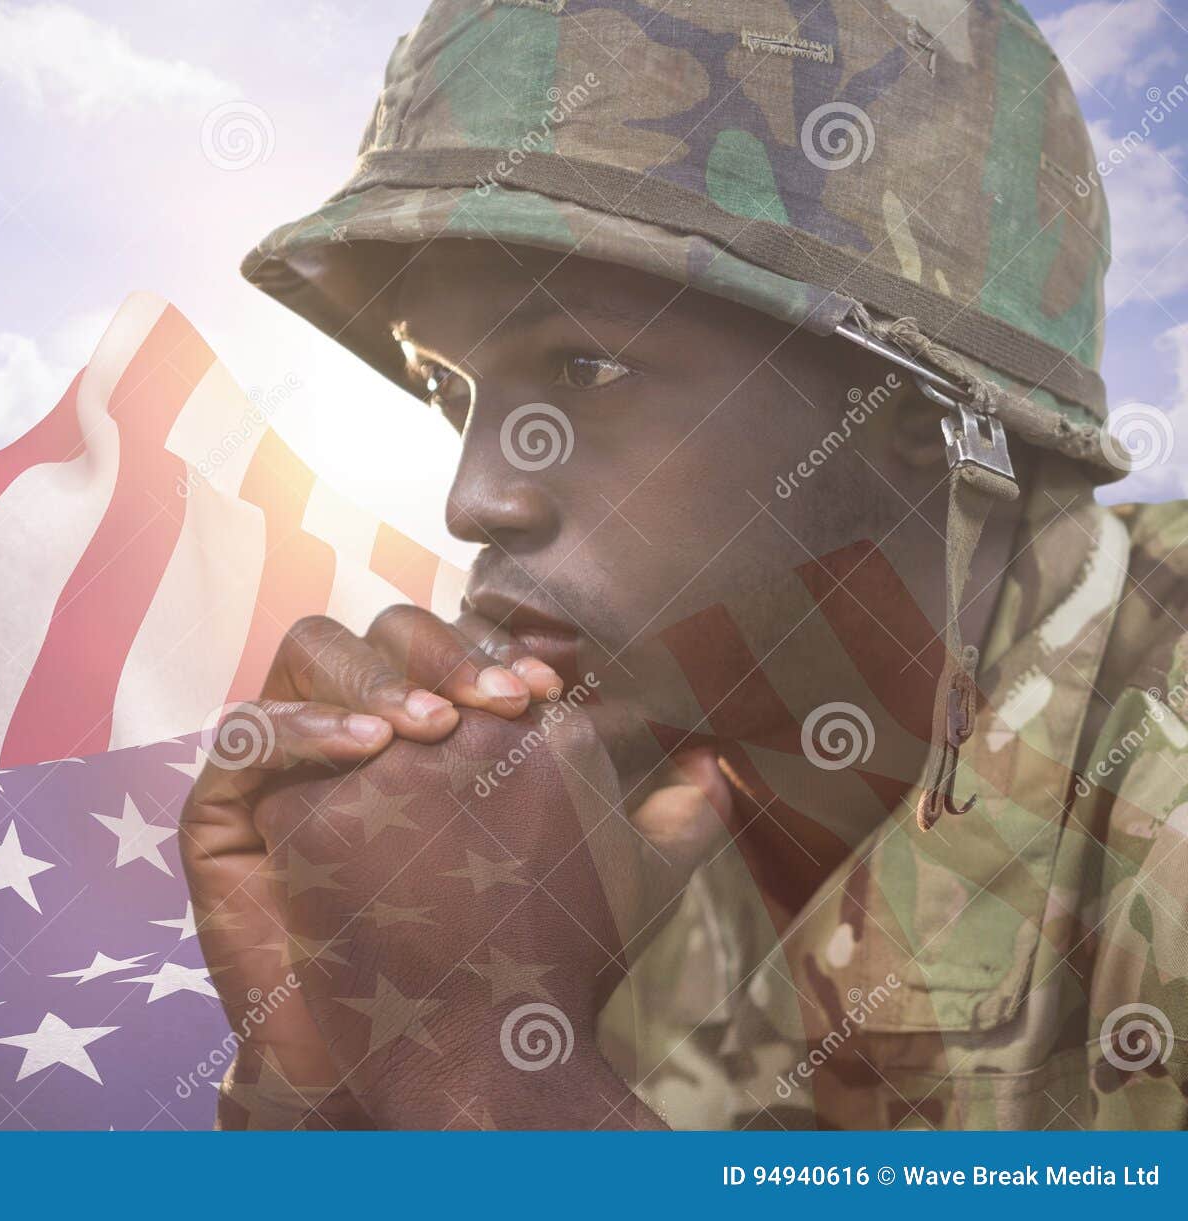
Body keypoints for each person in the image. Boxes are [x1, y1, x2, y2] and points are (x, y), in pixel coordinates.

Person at [181, 0, 1188, 1129]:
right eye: (450, 394)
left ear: (916, 406)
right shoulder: (579, 847)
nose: (473, 502)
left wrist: (481, 1058)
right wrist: (336, 1088)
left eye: (587, 367)